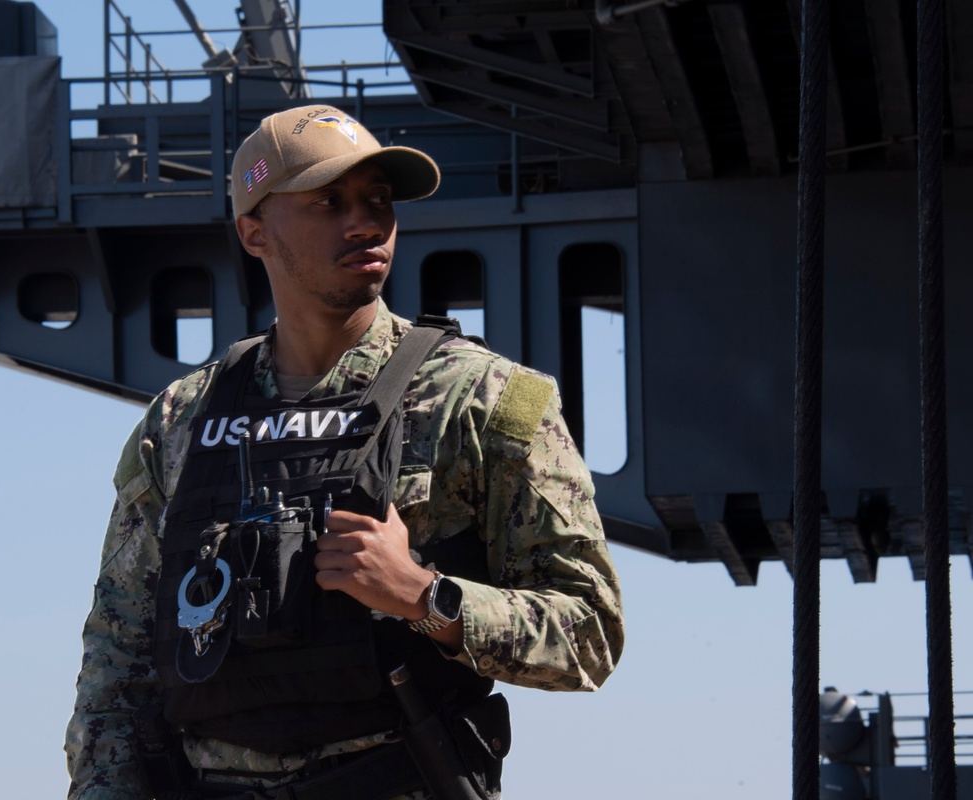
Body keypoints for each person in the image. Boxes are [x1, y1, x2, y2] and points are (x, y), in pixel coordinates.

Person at [65, 104, 624, 800]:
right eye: (328, 202)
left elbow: (590, 633)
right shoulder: (181, 422)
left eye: (378, 200)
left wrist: (426, 597)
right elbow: (118, 665)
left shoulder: (482, 400)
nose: (365, 224)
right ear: (254, 231)